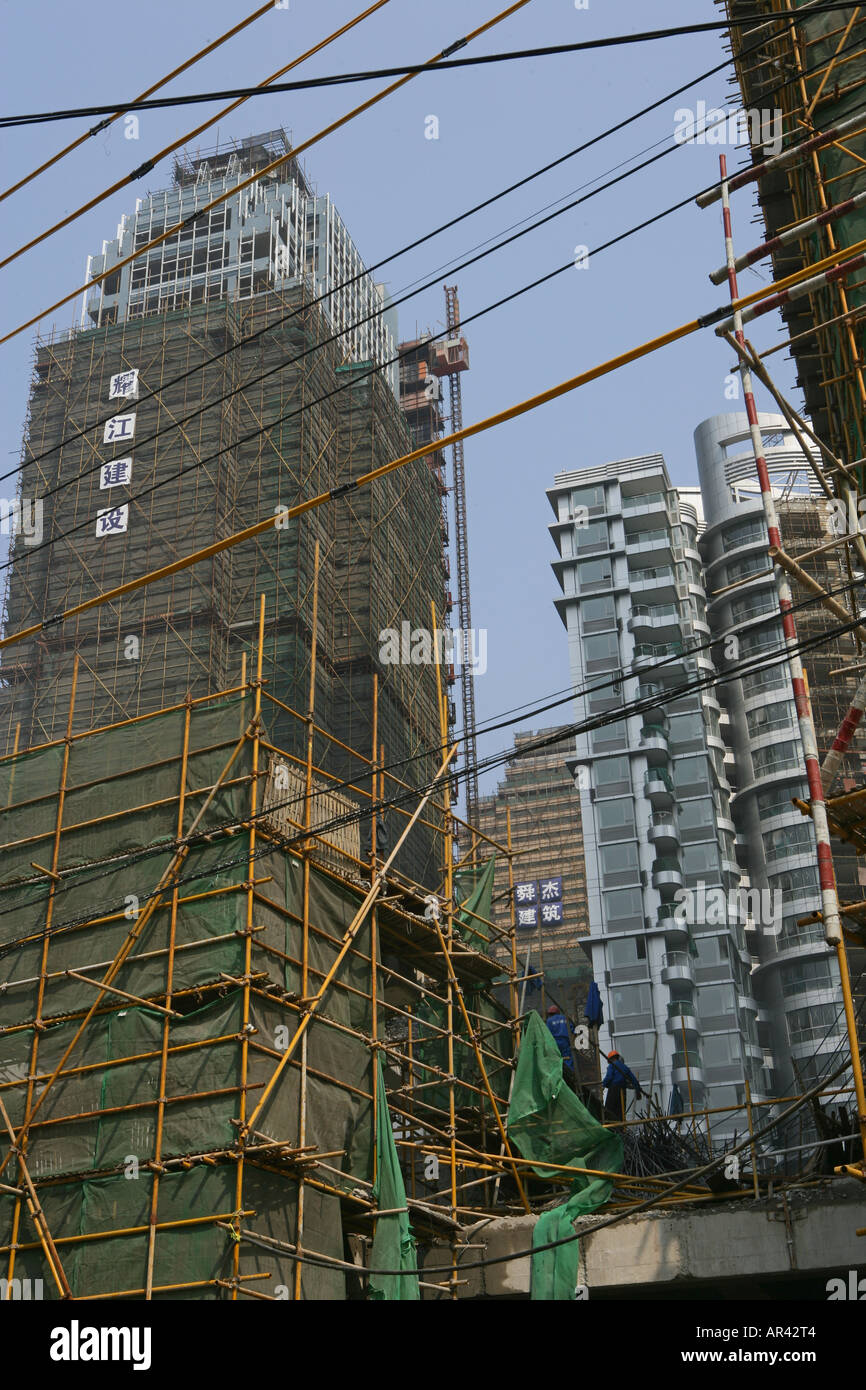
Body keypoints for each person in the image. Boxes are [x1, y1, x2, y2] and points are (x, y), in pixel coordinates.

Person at [602, 1050, 642, 1121]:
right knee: (621, 1111)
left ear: (611, 1059)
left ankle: (610, 1125)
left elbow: (609, 1077)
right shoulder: (625, 1067)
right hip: (622, 1091)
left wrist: (602, 1086)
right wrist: (638, 1090)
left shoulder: (612, 1066)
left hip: (613, 1090)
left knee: (609, 1110)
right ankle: (621, 1127)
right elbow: (634, 1080)